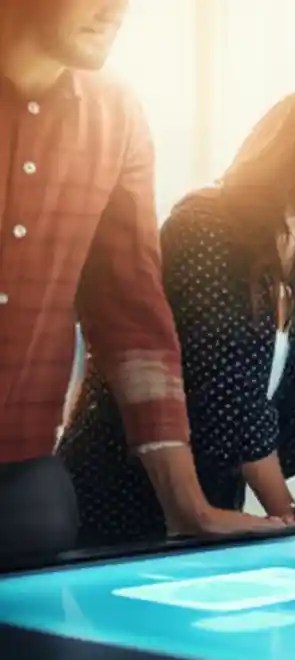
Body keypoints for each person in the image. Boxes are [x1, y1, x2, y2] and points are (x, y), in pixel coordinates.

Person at [0, 0, 279, 562]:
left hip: (22, 481)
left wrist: (189, 508)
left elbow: (131, 318)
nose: (116, 11)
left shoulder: (117, 114)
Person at [58, 87, 295, 546]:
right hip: (122, 483)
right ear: (289, 157)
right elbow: (228, 390)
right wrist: (288, 517)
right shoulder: (207, 228)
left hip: (213, 495)